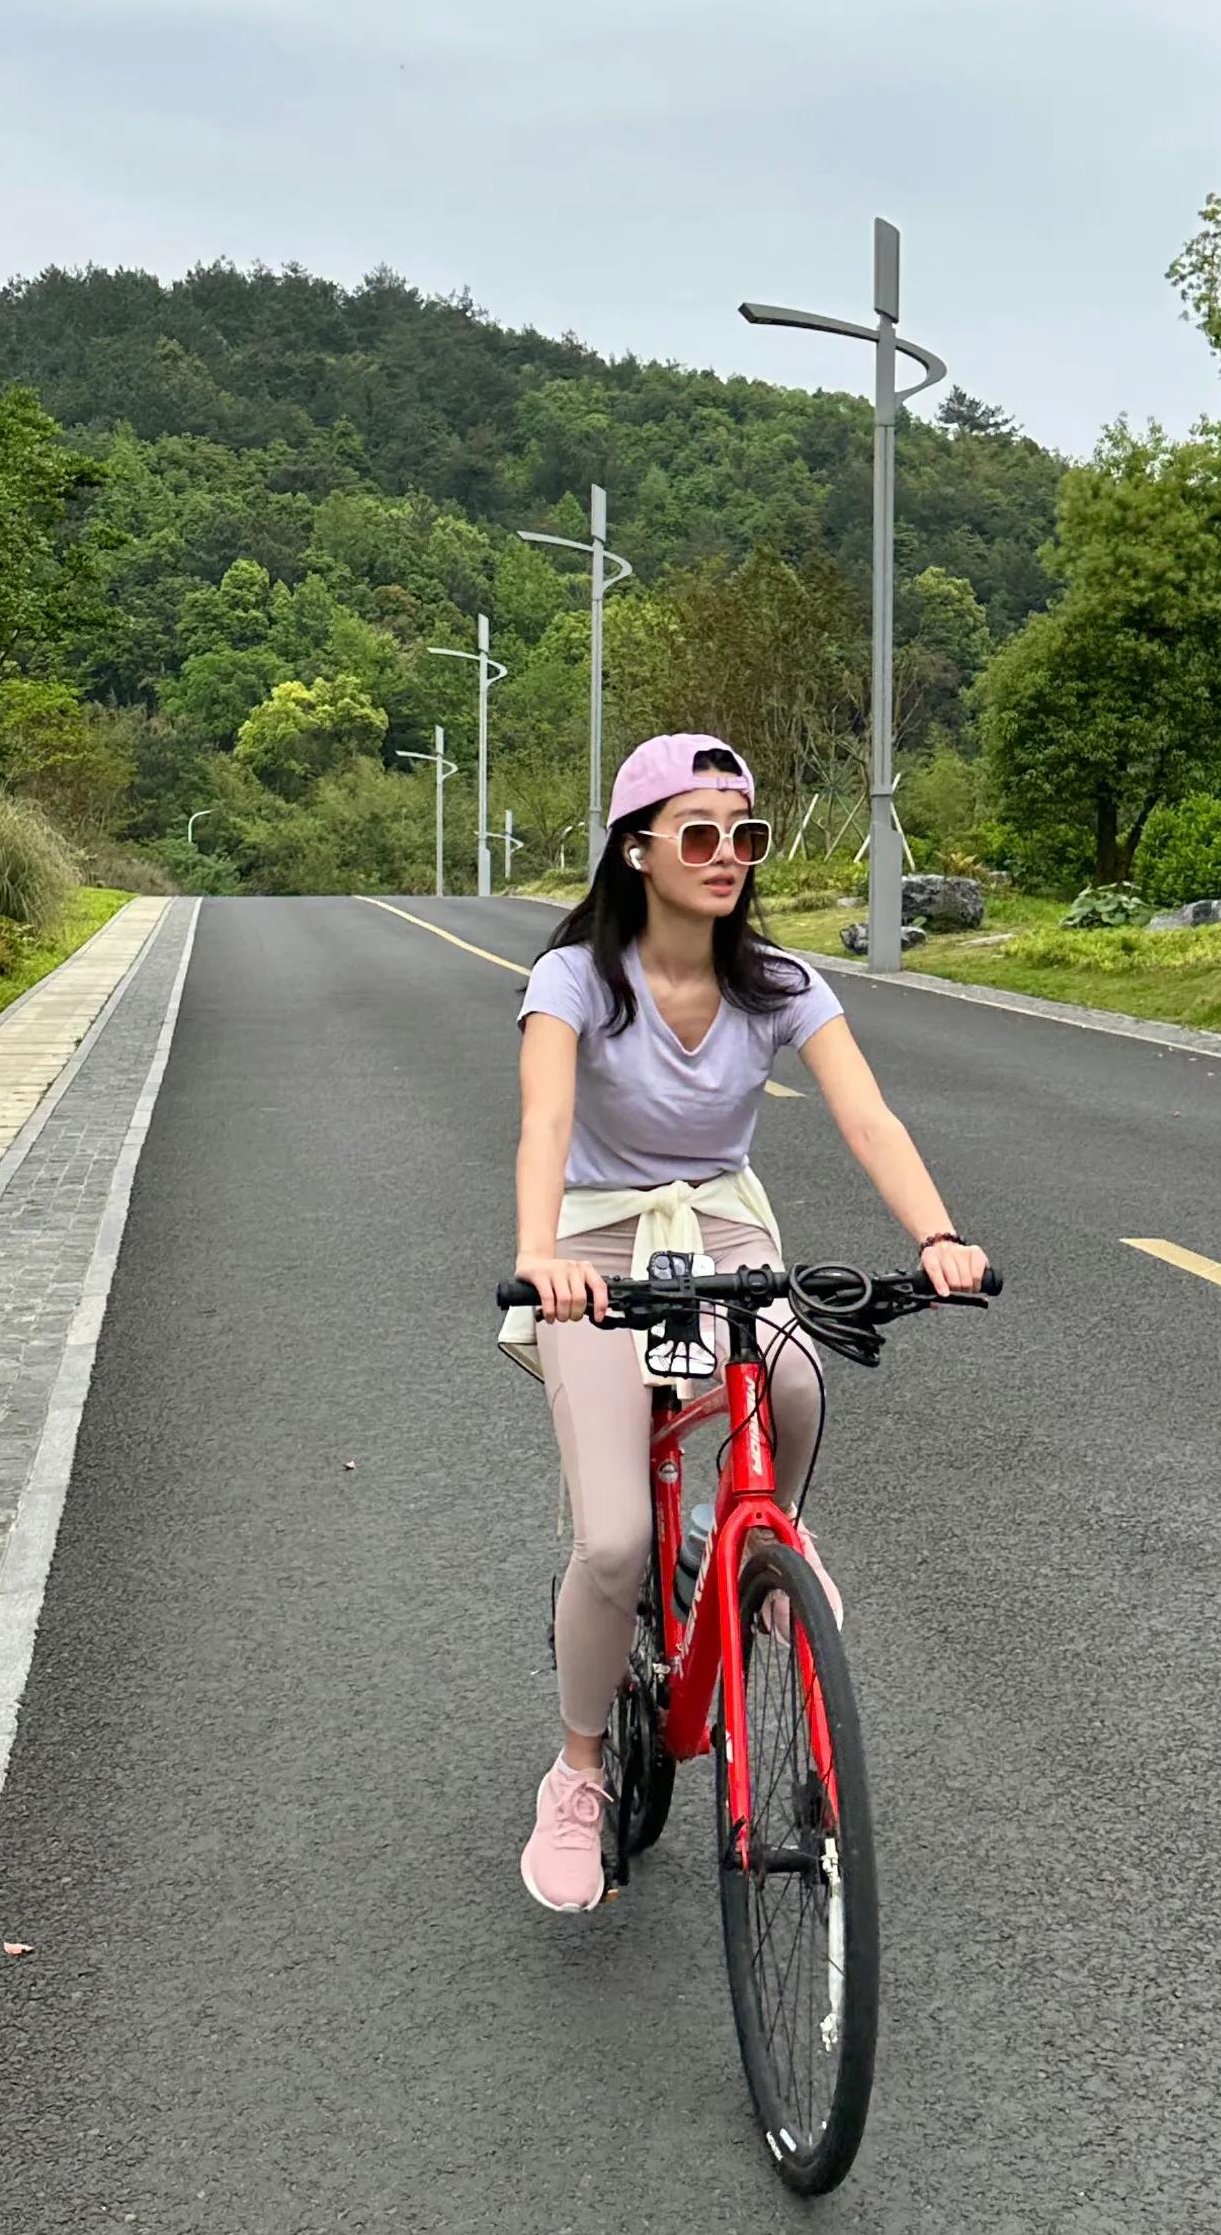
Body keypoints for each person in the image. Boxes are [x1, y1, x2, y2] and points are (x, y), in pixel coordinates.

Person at [507, 732, 989, 1913]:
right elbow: (542, 1120)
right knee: (615, 1540)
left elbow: (867, 1118)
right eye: (700, 835)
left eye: (746, 836)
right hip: (593, 1246)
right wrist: (538, 1257)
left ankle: (758, 1542)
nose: (728, 858)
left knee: (796, 1378)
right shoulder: (574, 978)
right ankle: (575, 1775)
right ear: (637, 851)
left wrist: (935, 1236)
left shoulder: (778, 983)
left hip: (721, 1228)